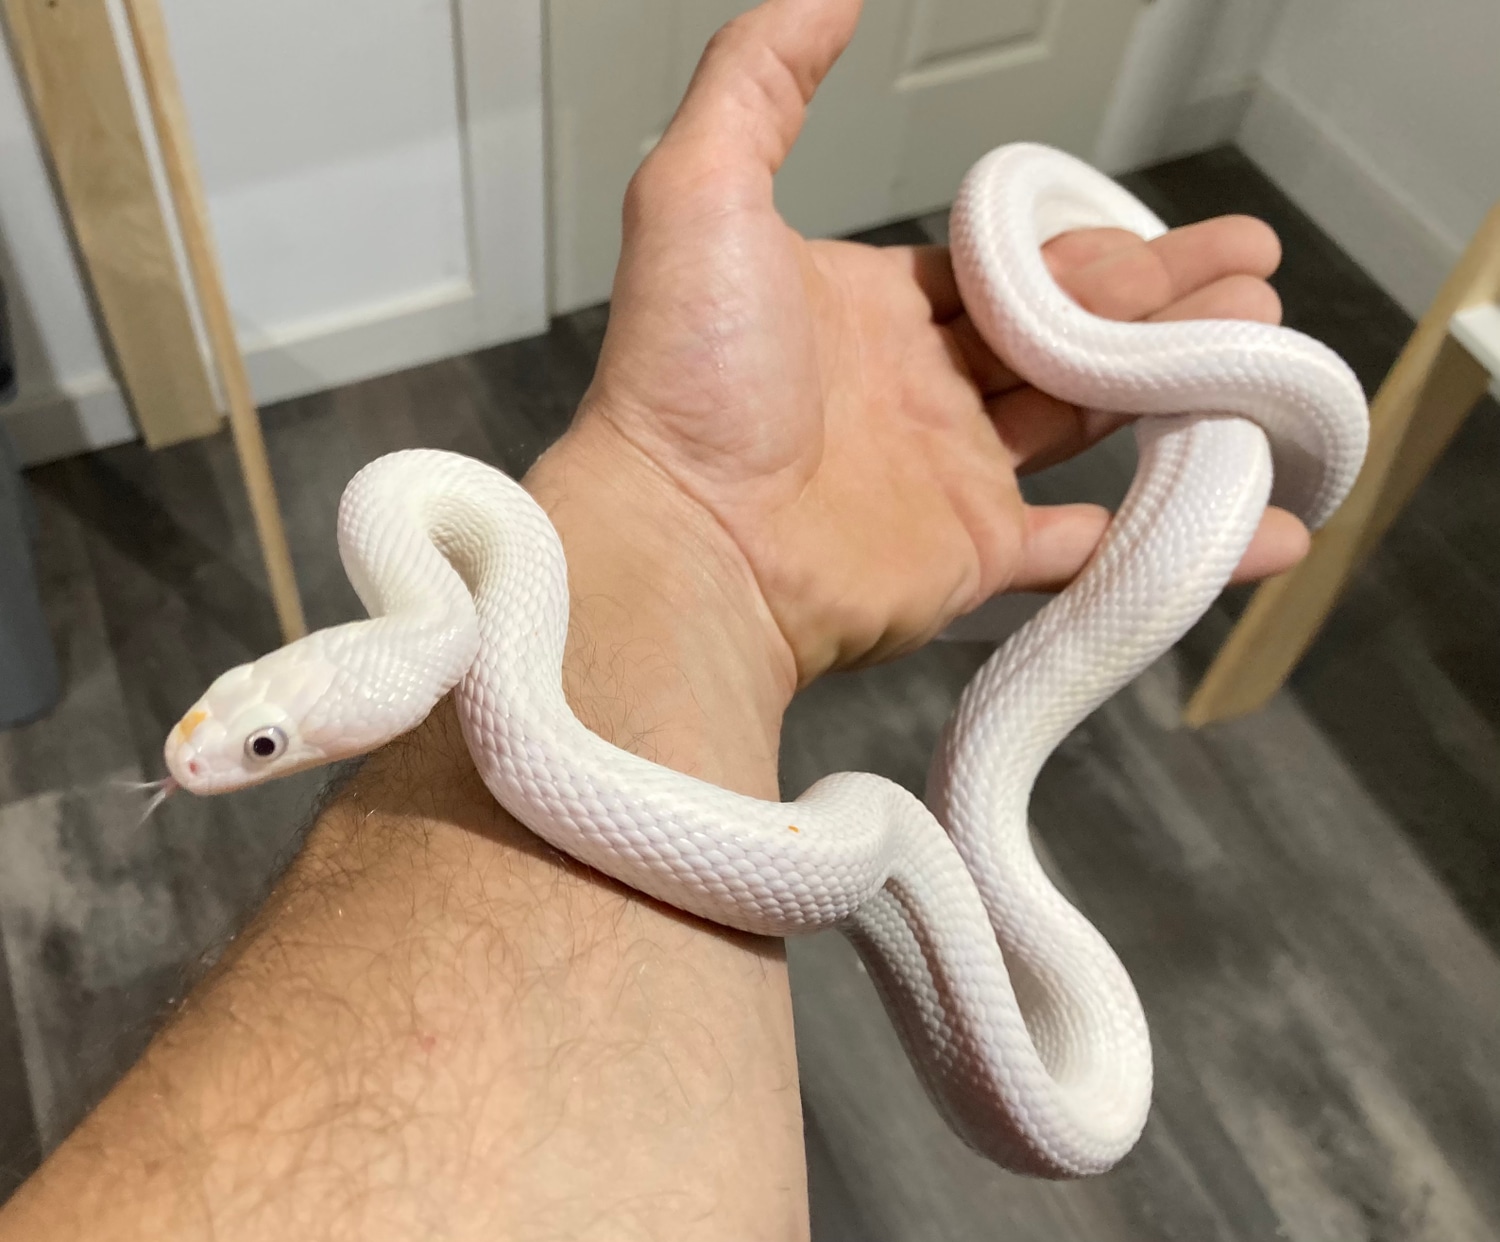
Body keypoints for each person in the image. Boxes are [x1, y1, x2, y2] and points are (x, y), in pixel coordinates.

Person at [0, 0, 1303, 1236]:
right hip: (778, 762)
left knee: (895, 830)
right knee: (876, 830)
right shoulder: (424, 551)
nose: (214, 756)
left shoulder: (427, 562)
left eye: (261, 743)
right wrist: (687, 517)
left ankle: (1224, 400)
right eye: (260, 743)